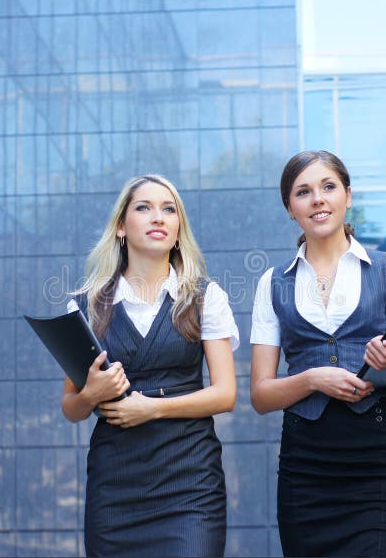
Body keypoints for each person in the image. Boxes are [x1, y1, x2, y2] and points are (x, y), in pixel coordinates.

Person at [250, 150, 386, 557]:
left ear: (348, 196)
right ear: (290, 208)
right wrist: (312, 379)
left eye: (328, 187)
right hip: (306, 469)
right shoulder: (272, 283)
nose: (318, 199)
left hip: (377, 463)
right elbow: (260, 396)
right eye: (303, 192)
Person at [62, 174, 239, 557]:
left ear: (178, 232)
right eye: (144, 208)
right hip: (115, 488)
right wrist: (92, 393)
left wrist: (153, 408)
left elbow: (226, 395)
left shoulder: (207, 298)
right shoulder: (86, 306)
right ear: (122, 227)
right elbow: (71, 408)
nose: (158, 217)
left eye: (168, 209)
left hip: (190, 483)